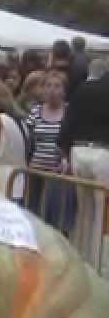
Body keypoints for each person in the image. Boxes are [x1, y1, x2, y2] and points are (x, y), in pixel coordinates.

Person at [61, 57, 109, 266]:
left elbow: (68, 121)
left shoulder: (81, 89)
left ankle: (82, 260)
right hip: (102, 152)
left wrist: (65, 150)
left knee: (83, 210)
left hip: (78, 150)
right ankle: (97, 262)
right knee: (101, 211)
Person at [27, 70, 75, 234]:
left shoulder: (69, 112)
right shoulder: (35, 111)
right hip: (36, 172)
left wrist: (67, 161)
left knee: (57, 221)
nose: (52, 90)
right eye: (48, 86)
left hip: (59, 175)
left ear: (63, 90)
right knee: (34, 218)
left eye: (57, 86)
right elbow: (29, 139)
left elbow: (71, 141)